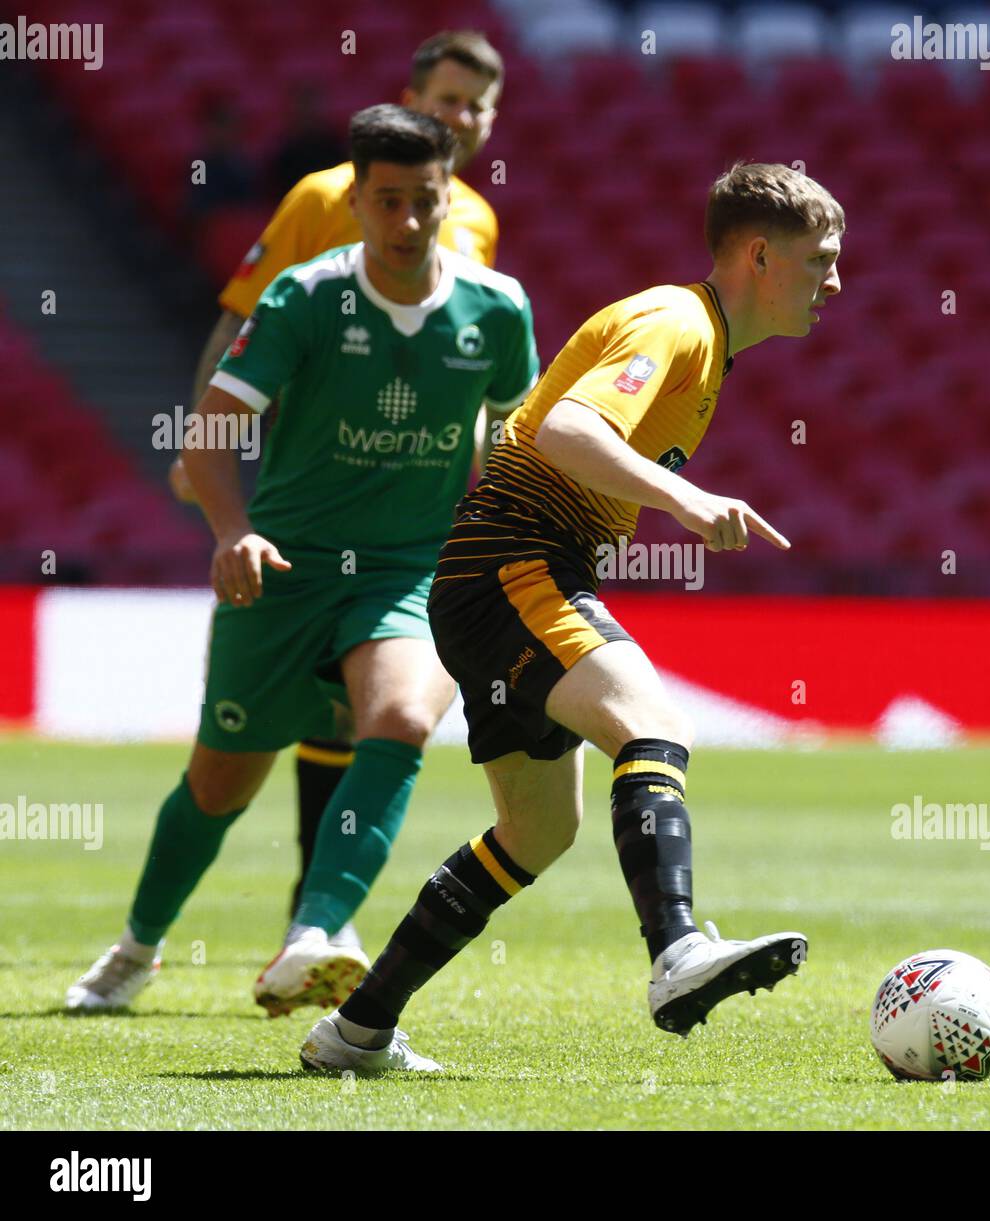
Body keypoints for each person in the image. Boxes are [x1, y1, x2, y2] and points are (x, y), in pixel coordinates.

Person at [298, 162, 843, 1073]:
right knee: (655, 724)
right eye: (822, 259)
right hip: (514, 562)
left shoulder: (702, 342)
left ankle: (355, 1030)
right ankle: (675, 953)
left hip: (505, 572)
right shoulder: (676, 323)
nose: (836, 282)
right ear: (759, 254)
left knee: (538, 832)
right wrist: (686, 498)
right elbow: (566, 432)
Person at [66, 106, 539, 1017]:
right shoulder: (304, 298)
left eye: (425, 202)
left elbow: (512, 441)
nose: (407, 222)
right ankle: (138, 945)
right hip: (281, 564)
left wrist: (507, 541)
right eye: (388, 201)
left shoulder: (498, 307)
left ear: (452, 199)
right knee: (219, 782)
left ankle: (318, 929)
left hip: (409, 567)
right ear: (354, 201)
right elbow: (208, 439)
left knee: (400, 715)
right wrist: (231, 530)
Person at [169, 30, 508, 958]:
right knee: (240, 752)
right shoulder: (324, 197)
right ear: (411, 94)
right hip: (308, 491)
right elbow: (246, 319)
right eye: (445, 99)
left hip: (408, 513)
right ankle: (167, 931)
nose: (459, 118)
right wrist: (207, 438)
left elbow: (475, 385)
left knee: (372, 709)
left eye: (476, 106)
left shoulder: (473, 222)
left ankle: (314, 916)